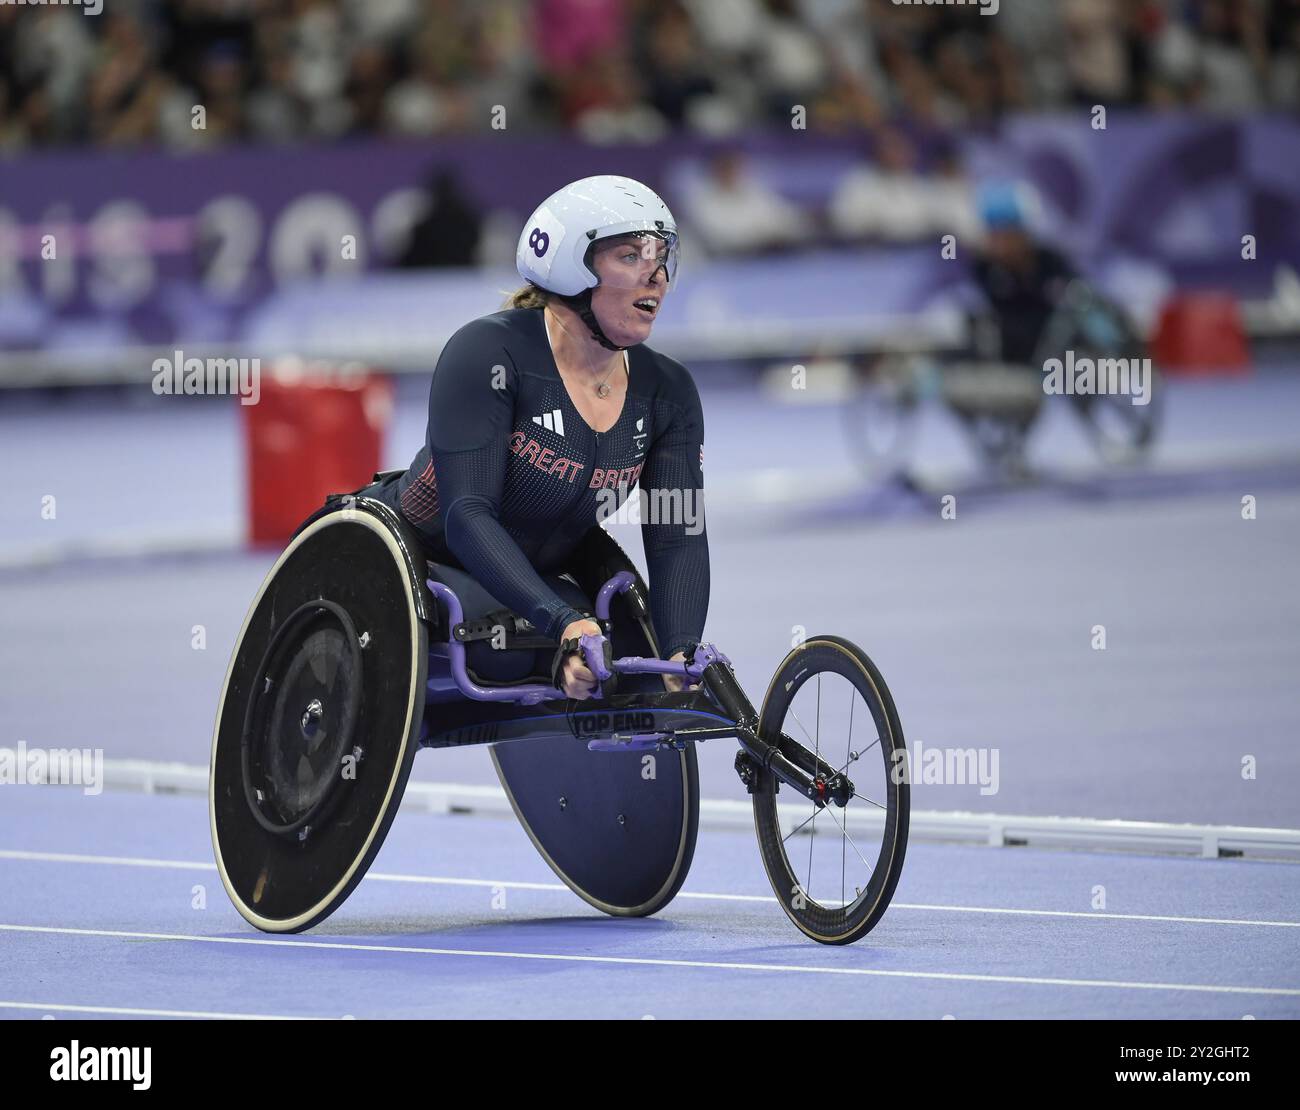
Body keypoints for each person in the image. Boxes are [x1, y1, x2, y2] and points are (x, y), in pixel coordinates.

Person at [369, 175, 709, 699]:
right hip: (421, 554)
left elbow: (676, 533)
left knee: (628, 658)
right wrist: (562, 626)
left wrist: (681, 649)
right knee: (522, 648)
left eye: (661, 258)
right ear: (570, 267)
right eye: (631, 257)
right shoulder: (488, 352)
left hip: (541, 569)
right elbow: (467, 516)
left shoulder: (669, 391)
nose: (656, 277)